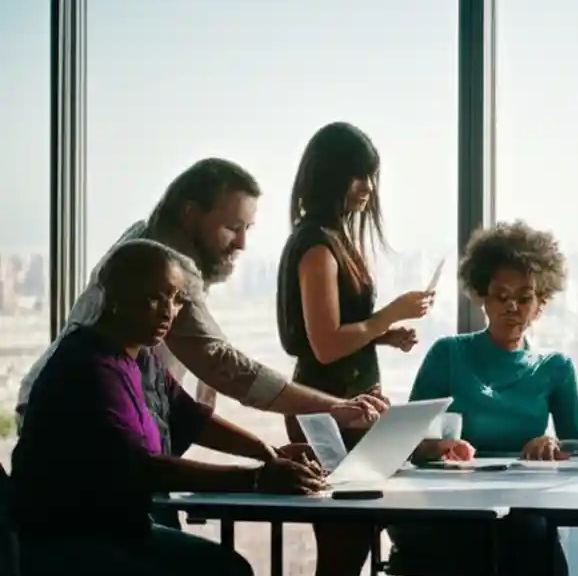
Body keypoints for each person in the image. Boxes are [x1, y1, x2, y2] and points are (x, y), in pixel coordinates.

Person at [11, 240, 326, 576]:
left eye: (176, 299)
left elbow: (191, 417)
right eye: (153, 297)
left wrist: (268, 453)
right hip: (62, 542)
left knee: (225, 574)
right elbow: (144, 469)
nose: (168, 311)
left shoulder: (140, 356)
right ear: (116, 296)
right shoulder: (88, 365)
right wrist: (257, 479)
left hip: (113, 531)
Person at [17, 158, 386, 440]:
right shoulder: (165, 265)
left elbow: (192, 391)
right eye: (232, 228)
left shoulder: (149, 238)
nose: (242, 243)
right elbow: (223, 365)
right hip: (81, 424)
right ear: (191, 215)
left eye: (247, 229)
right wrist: (335, 407)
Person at [276, 122, 433, 576]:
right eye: (357, 175)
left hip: (345, 407)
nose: (367, 187)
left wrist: (381, 336)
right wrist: (389, 315)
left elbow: (333, 334)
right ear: (330, 177)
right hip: (327, 410)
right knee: (342, 555)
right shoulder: (317, 246)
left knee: (348, 555)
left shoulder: (332, 239)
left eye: (370, 176)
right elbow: (324, 344)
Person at [393, 221, 578, 576]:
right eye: (501, 296)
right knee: (474, 543)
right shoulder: (448, 355)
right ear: (482, 296)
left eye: (524, 297)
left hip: (515, 512)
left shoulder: (556, 369)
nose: (512, 306)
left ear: (541, 303)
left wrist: (551, 443)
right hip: (448, 512)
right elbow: (404, 440)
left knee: (551, 572)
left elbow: (577, 449)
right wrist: (438, 448)